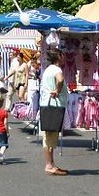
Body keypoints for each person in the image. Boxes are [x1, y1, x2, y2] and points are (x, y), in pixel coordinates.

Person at [40, 48, 68, 176]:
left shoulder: (48, 69)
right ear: (59, 57)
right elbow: (60, 79)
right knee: (50, 137)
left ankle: (51, 162)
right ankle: (49, 164)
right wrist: (57, 90)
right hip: (53, 105)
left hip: (47, 104)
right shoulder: (57, 70)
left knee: (49, 135)